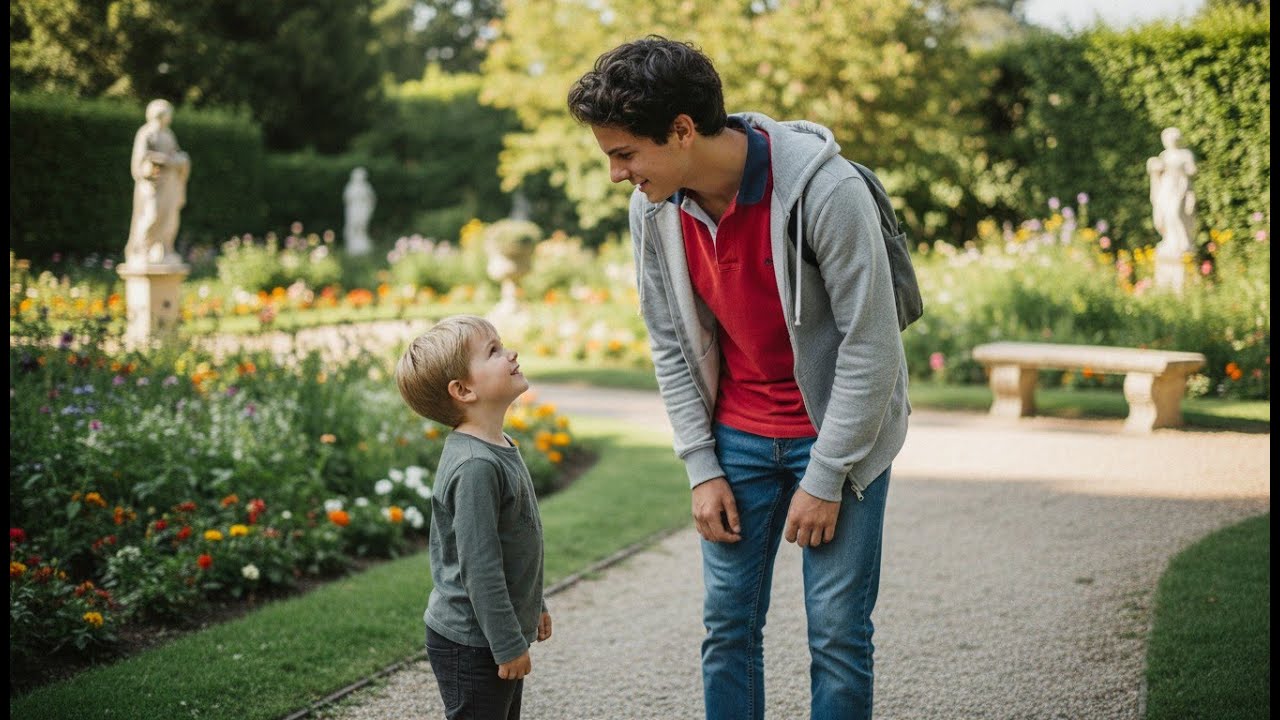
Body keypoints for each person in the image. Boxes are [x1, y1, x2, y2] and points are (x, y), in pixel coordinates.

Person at [568, 36, 910, 720]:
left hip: (836, 438)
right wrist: (701, 465)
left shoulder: (828, 191)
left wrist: (827, 475)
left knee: (839, 636)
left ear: (683, 131)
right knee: (727, 632)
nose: (616, 175)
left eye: (624, 153)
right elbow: (668, 341)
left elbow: (872, 347)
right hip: (737, 441)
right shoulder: (653, 208)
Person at [395, 315, 553, 720]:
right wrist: (507, 644)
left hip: (491, 632)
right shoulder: (475, 465)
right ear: (463, 390)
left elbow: (515, 541)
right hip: (472, 640)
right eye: (494, 351)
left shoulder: (495, 445)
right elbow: (479, 567)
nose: (511, 353)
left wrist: (534, 605)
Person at [126, 99, 190, 266]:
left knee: (170, 217)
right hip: (153, 183)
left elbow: (174, 152)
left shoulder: (168, 134)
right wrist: (163, 160)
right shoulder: (146, 133)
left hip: (169, 183)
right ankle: (142, 249)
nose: (170, 117)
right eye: (167, 114)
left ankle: (164, 249)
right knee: (152, 215)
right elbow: (140, 160)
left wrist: (181, 159)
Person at [1147, 127, 1198, 258]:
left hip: (1180, 187)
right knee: (1165, 215)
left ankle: (1183, 242)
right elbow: (1158, 171)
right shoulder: (1164, 155)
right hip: (1166, 187)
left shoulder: (1185, 154)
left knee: (1175, 213)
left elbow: (1192, 170)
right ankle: (1171, 241)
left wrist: (1183, 170)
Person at [343, 167, 376, 256]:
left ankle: (361, 241)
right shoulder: (351, 186)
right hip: (354, 209)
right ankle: (354, 243)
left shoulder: (366, 186)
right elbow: (347, 200)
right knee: (354, 225)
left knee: (362, 225)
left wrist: (369, 208)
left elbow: (371, 199)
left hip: (362, 209)